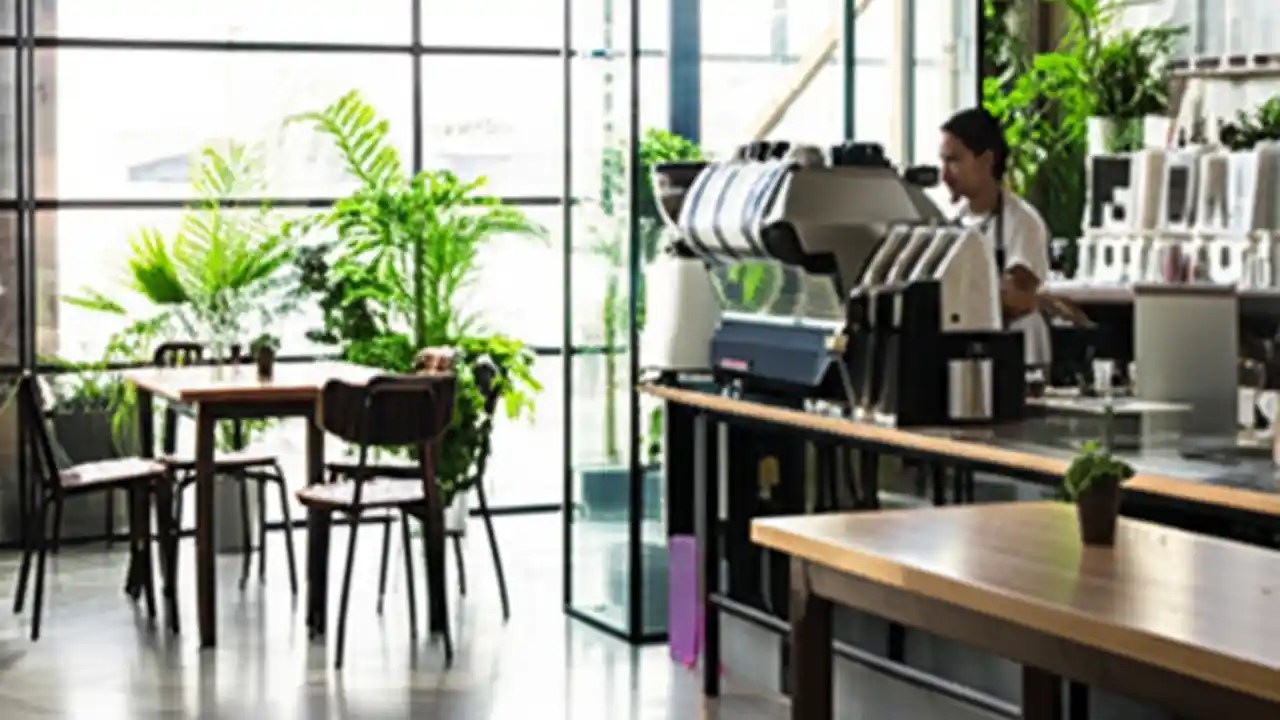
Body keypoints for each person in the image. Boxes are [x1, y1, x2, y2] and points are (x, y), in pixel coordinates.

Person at [939, 106, 1052, 374]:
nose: (944, 175)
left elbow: (1018, 298)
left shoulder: (1023, 223)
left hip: (1017, 356)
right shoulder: (953, 224)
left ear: (986, 160)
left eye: (954, 161)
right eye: (942, 162)